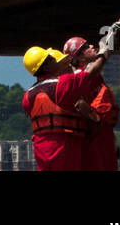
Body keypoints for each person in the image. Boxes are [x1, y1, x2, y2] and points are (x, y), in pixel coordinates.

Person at [22, 41, 111, 172]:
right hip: (64, 146)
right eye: (52, 59)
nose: (55, 60)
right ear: (46, 66)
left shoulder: (28, 96)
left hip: (41, 149)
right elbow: (92, 72)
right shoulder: (62, 85)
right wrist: (104, 53)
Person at [64, 34, 120, 170]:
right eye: (85, 47)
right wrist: (96, 121)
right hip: (94, 136)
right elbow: (80, 104)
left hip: (103, 134)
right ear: (80, 57)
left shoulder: (87, 75)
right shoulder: (78, 77)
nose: (91, 46)